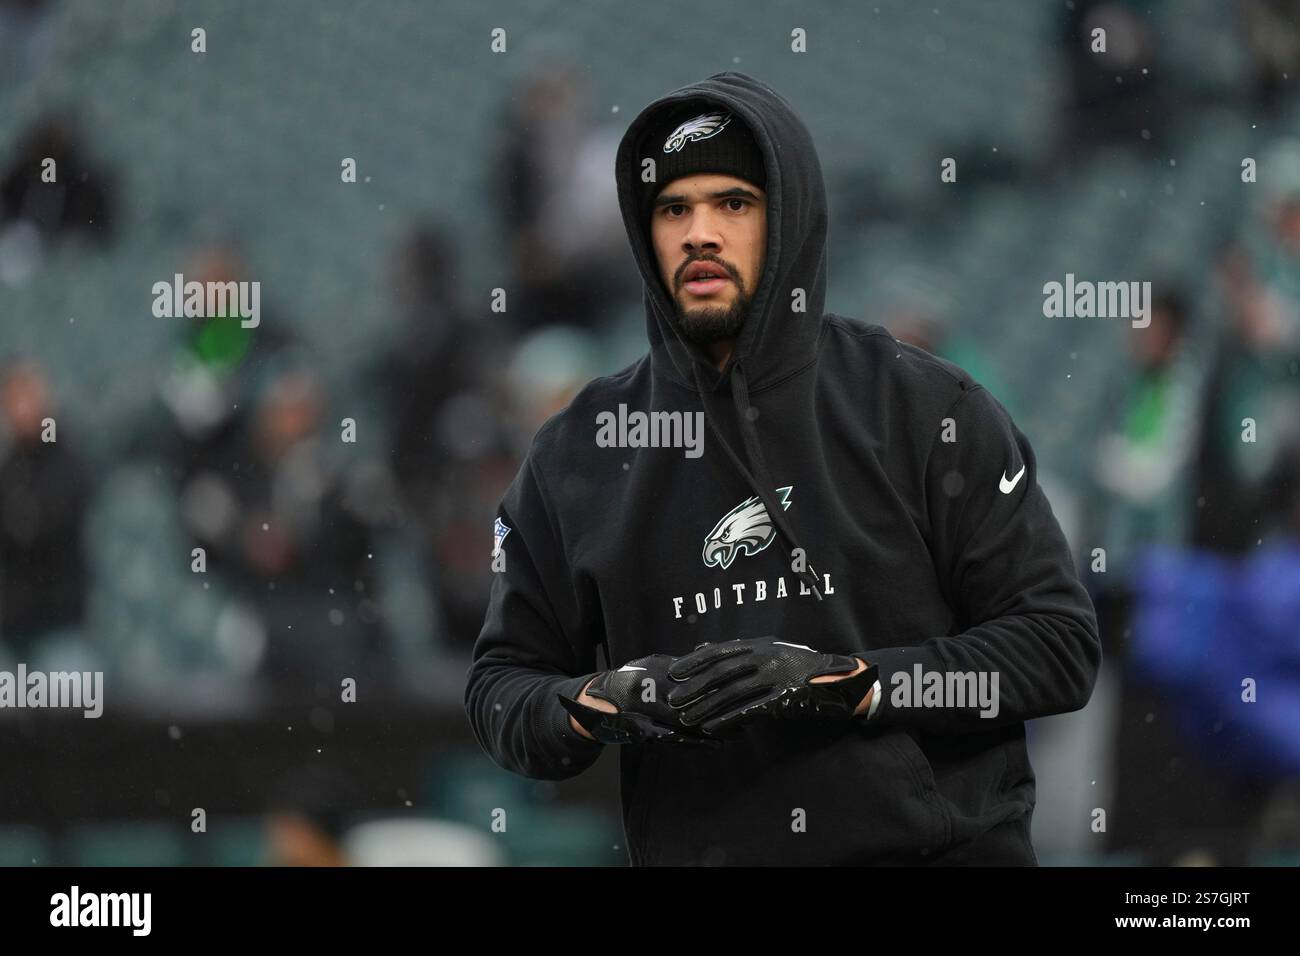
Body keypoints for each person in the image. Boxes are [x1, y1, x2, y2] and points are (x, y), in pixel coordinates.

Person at [464, 72, 1101, 866]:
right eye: (673, 209)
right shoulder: (580, 451)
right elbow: (502, 689)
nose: (700, 233)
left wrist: (847, 684)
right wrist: (604, 700)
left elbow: (1056, 649)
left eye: (733, 203)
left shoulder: (925, 407)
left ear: (787, 216)